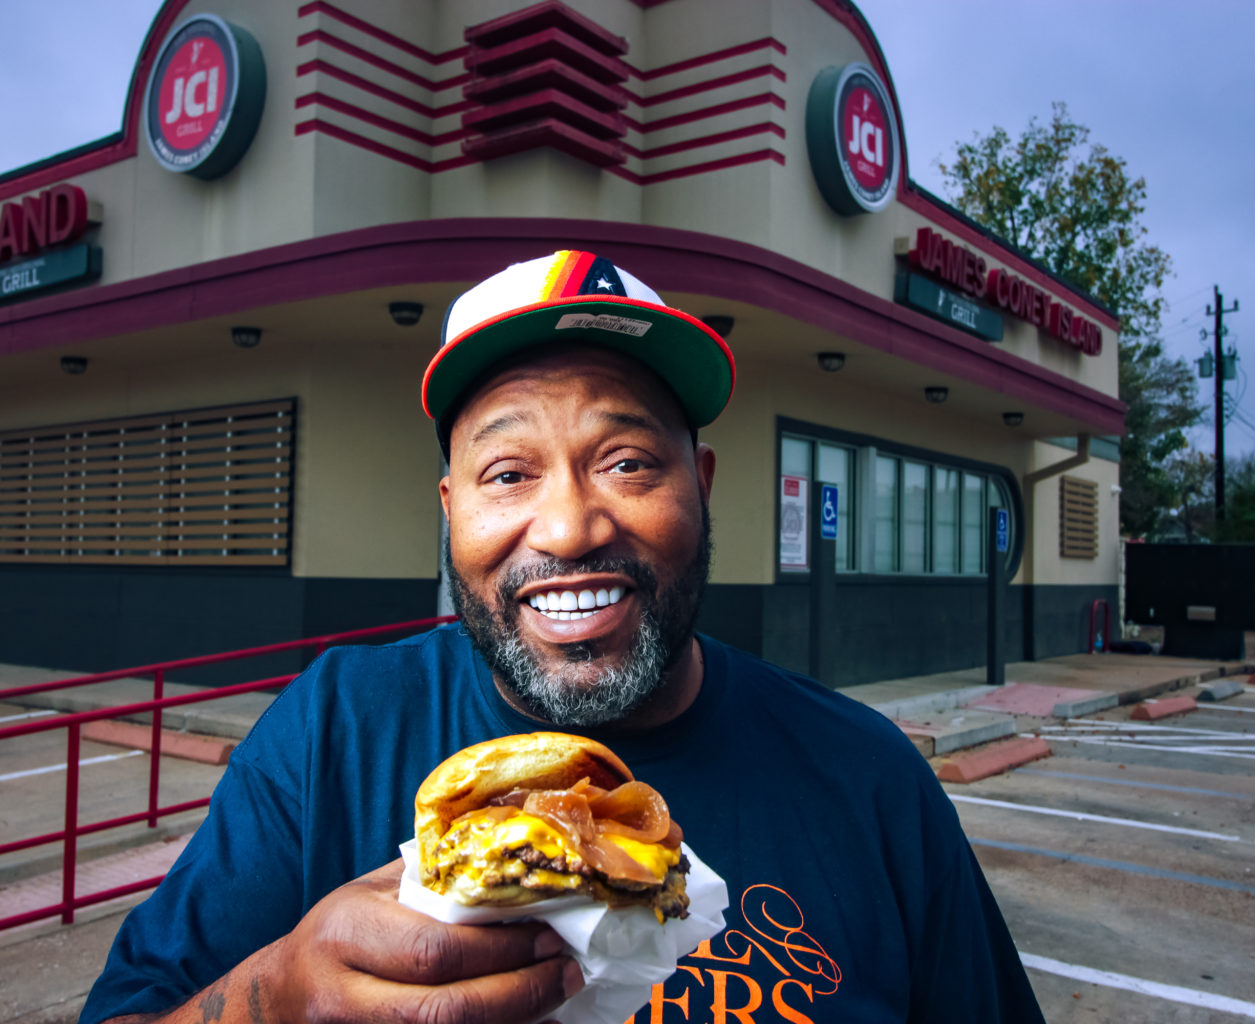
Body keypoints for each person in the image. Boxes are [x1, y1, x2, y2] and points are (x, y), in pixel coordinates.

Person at [81, 250, 1044, 1023]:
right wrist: (276, 1003)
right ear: (451, 509)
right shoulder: (331, 735)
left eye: (626, 462)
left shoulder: (868, 777)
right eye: (509, 474)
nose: (570, 527)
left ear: (701, 486)